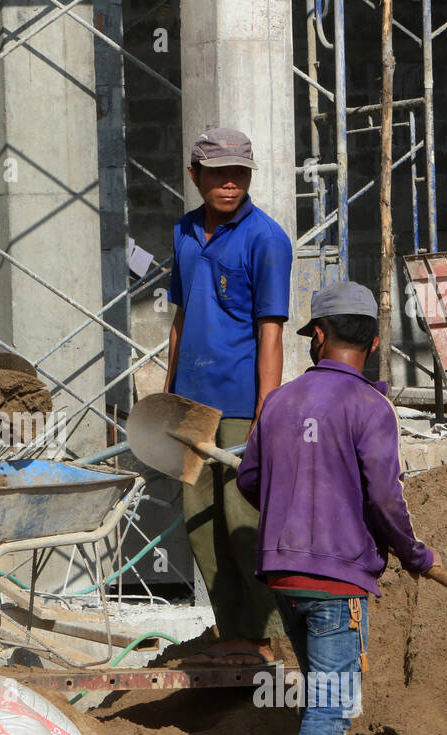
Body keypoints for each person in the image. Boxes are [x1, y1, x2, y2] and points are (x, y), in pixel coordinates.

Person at [235, 281, 439, 735]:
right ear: (373, 342)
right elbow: (384, 496)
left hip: (283, 577)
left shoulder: (277, 401)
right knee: (332, 705)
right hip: (337, 579)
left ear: (318, 337)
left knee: (322, 691)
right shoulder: (371, 406)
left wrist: (289, 516)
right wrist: (414, 553)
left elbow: (249, 479)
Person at [164, 127, 293, 665]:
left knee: (244, 521)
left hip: (242, 405)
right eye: (218, 173)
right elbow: (181, 317)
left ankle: (261, 636)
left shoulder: (267, 239)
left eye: (239, 173)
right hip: (192, 406)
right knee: (200, 523)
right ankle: (231, 631)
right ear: (196, 176)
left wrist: (268, 407)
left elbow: (271, 330)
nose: (230, 183)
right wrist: (167, 393)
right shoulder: (185, 232)